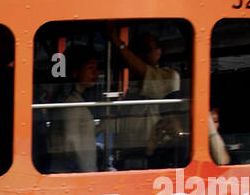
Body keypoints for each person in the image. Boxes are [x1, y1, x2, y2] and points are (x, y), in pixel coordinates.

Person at [108, 25, 180, 169]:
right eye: (138, 52)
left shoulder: (169, 77)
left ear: (159, 52)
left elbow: (144, 71)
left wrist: (118, 42)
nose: (142, 56)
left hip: (154, 152)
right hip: (128, 153)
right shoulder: (132, 86)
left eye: (147, 50)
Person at [46, 47, 100, 173]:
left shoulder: (72, 98)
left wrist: (103, 126)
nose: (96, 73)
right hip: (78, 173)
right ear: (75, 72)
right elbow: (72, 143)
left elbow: (82, 132)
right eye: (90, 68)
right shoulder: (72, 103)